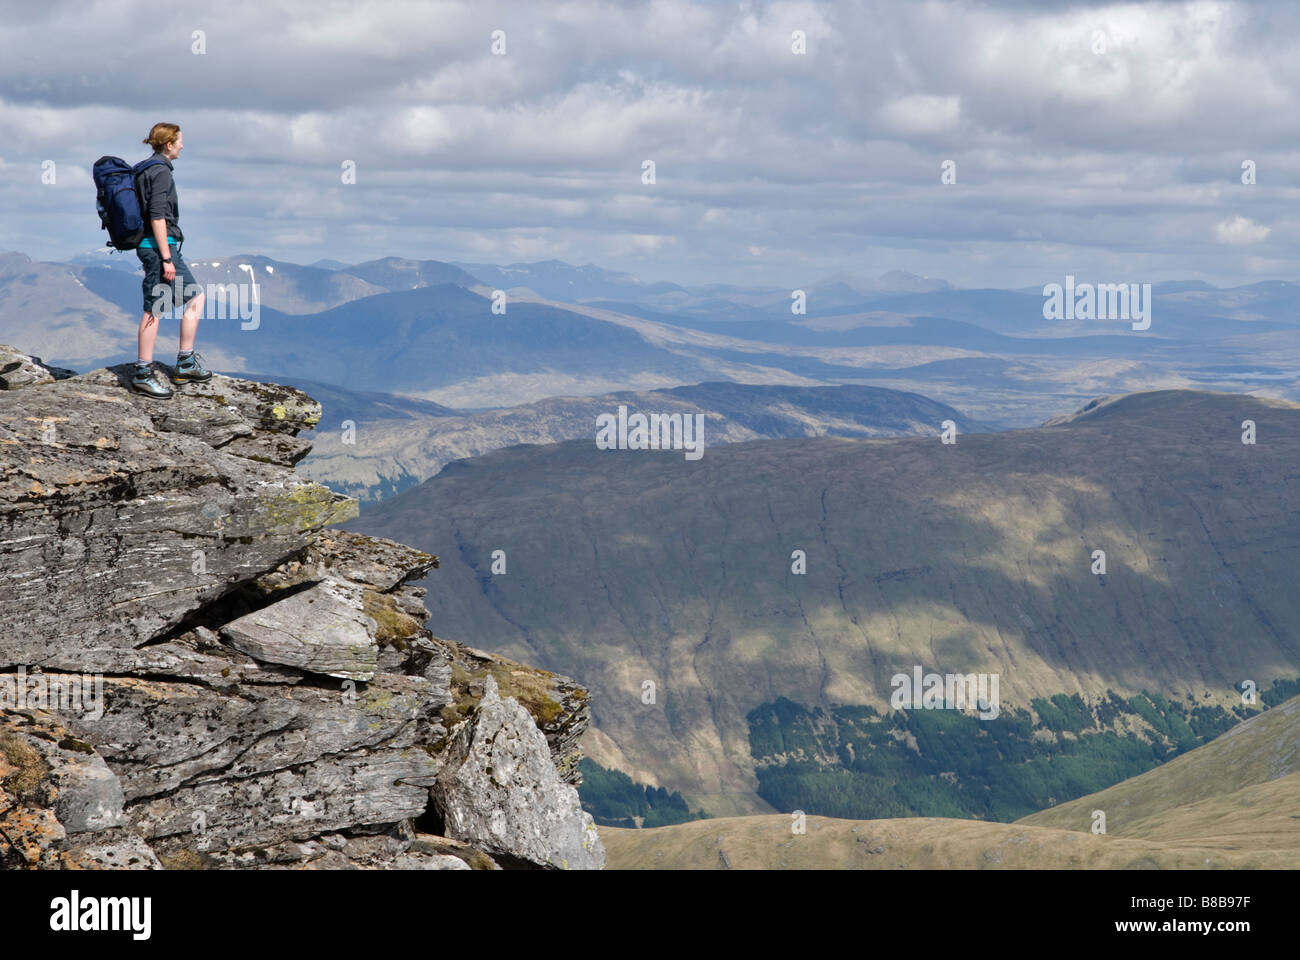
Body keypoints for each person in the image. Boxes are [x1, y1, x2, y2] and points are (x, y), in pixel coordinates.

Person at [131, 122, 211, 398]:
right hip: (159, 248)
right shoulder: (161, 172)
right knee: (156, 307)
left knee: (188, 298)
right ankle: (145, 373)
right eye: (179, 141)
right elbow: (157, 216)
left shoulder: (143, 169)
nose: (182, 146)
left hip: (153, 246)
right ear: (169, 144)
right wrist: (167, 258)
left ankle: (183, 362)